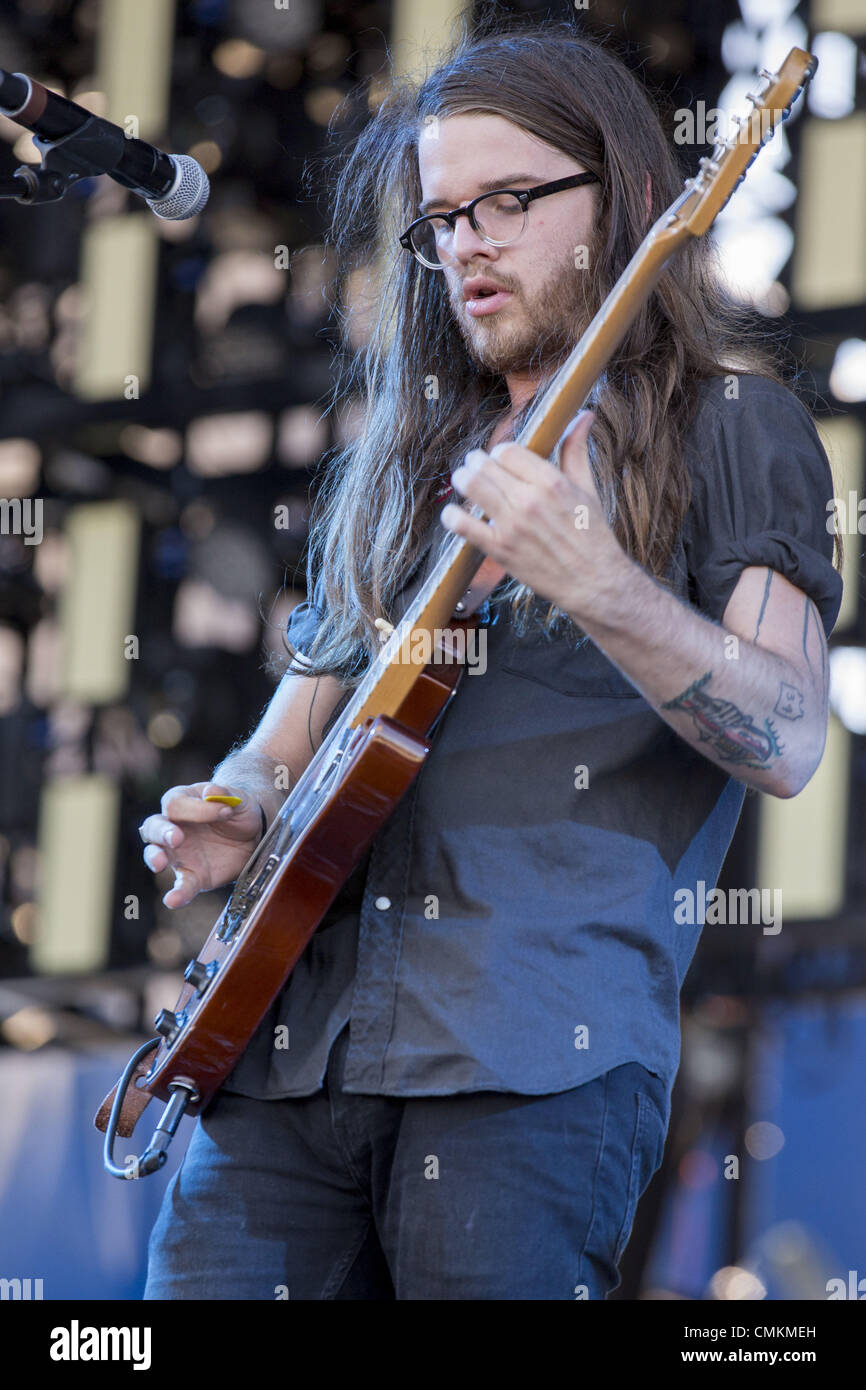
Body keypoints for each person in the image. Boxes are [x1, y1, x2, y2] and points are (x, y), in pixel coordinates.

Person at [139, 21, 842, 1299]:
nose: (465, 243)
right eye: (441, 217)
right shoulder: (406, 457)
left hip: (530, 1065)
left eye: (508, 202)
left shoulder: (733, 427)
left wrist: (596, 579)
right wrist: (233, 805)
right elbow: (289, 734)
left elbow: (789, 732)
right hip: (289, 1049)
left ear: (627, 196)